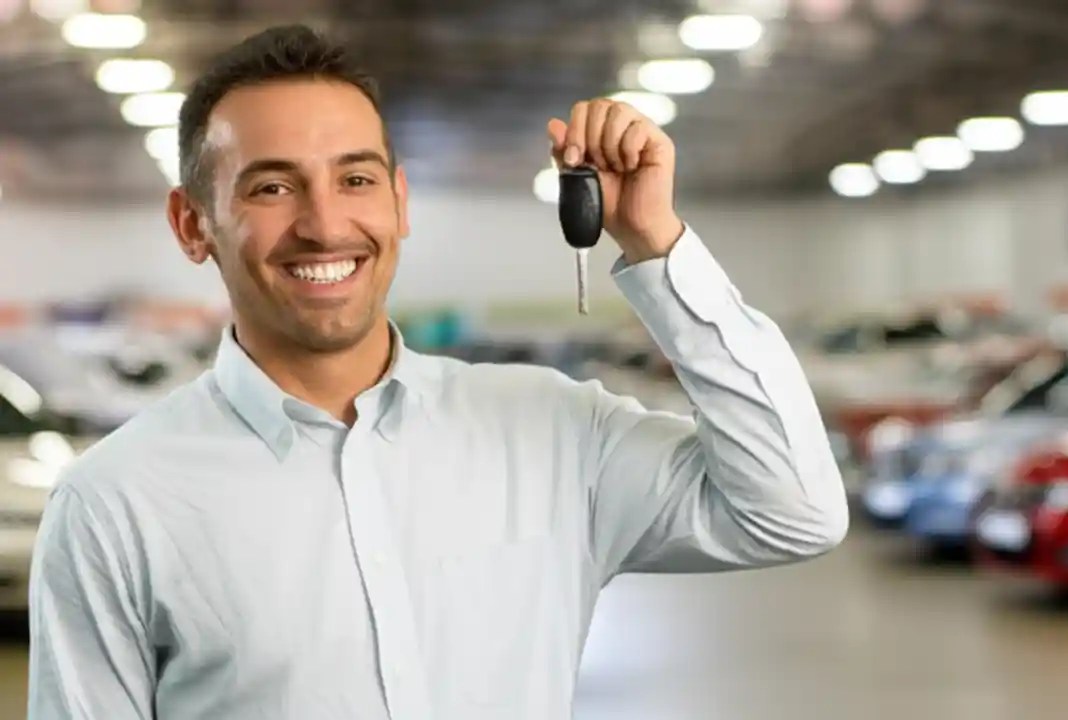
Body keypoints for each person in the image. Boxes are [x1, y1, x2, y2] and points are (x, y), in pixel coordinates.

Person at [26, 24, 848, 720]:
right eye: (272, 186)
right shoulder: (114, 505)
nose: (324, 224)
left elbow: (794, 512)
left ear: (399, 202)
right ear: (191, 222)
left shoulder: (553, 433)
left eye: (356, 179)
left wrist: (656, 244)